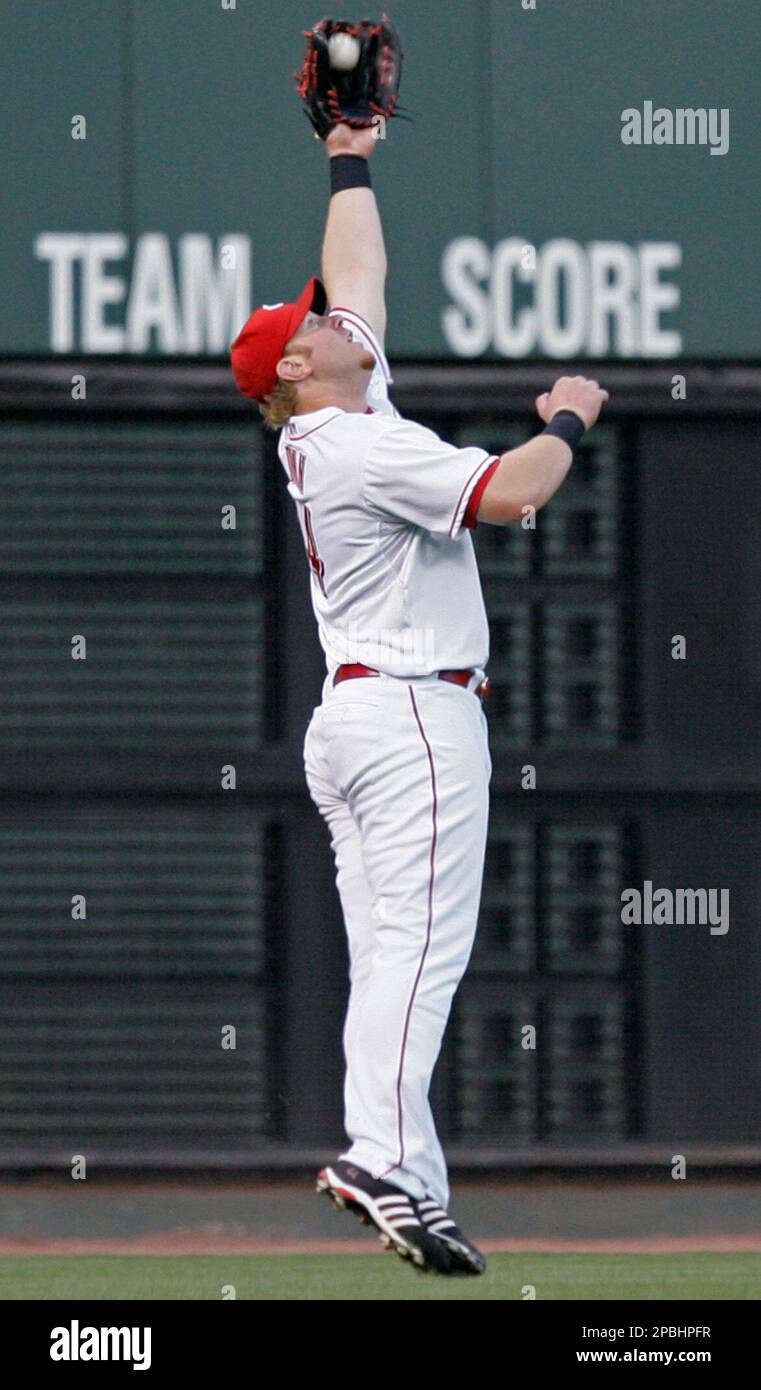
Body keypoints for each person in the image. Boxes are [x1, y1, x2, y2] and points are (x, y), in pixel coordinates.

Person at [230, 122, 608, 1276]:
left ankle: (409, 1179)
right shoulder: (351, 445)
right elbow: (512, 492)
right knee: (420, 955)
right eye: (310, 322)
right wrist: (568, 415)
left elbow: (360, 275)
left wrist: (348, 156)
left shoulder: (339, 418)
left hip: (356, 719)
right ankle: (383, 1161)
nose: (334, 314)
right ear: (297, 367)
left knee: (390, 954)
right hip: (411, 713)